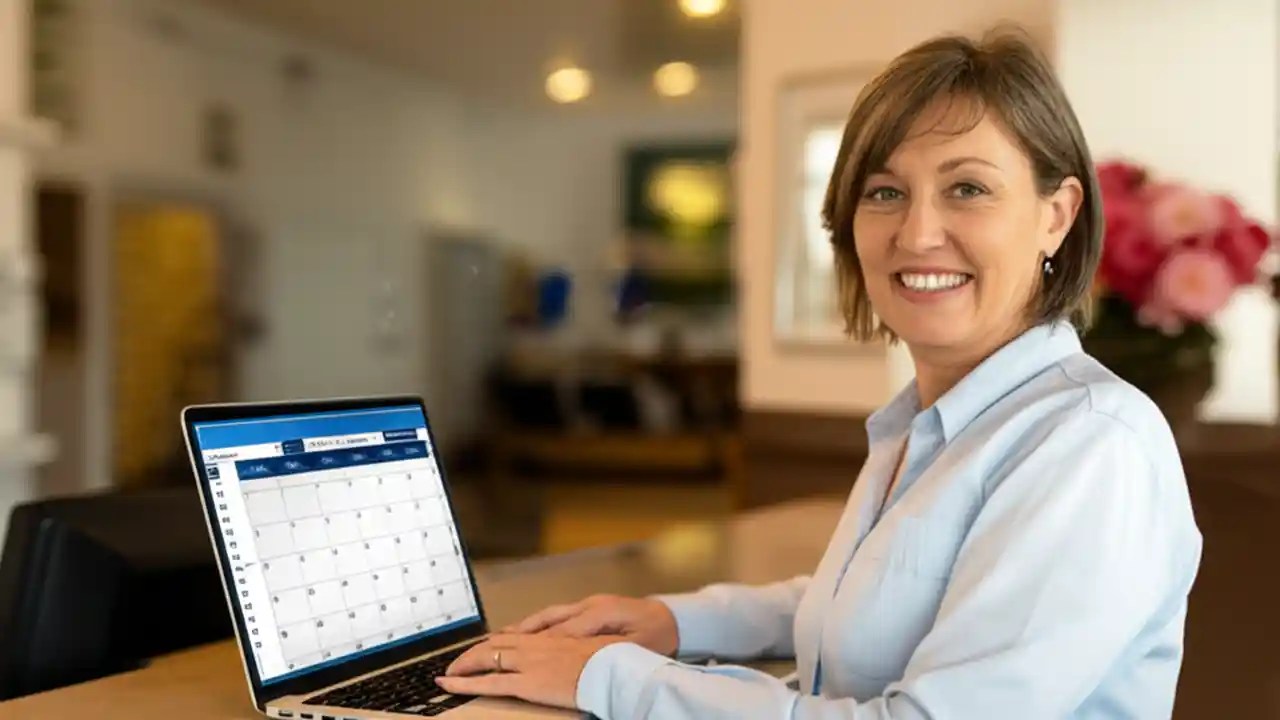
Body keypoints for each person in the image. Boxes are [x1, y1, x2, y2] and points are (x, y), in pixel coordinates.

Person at [437, 27, 1203, 719]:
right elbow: (871, 602)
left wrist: (609, 679)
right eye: (885, 192)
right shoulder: (926, 424)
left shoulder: (1092, 446)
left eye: (967, 187)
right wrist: (675, 621)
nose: (918, 231)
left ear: (1056, 215)